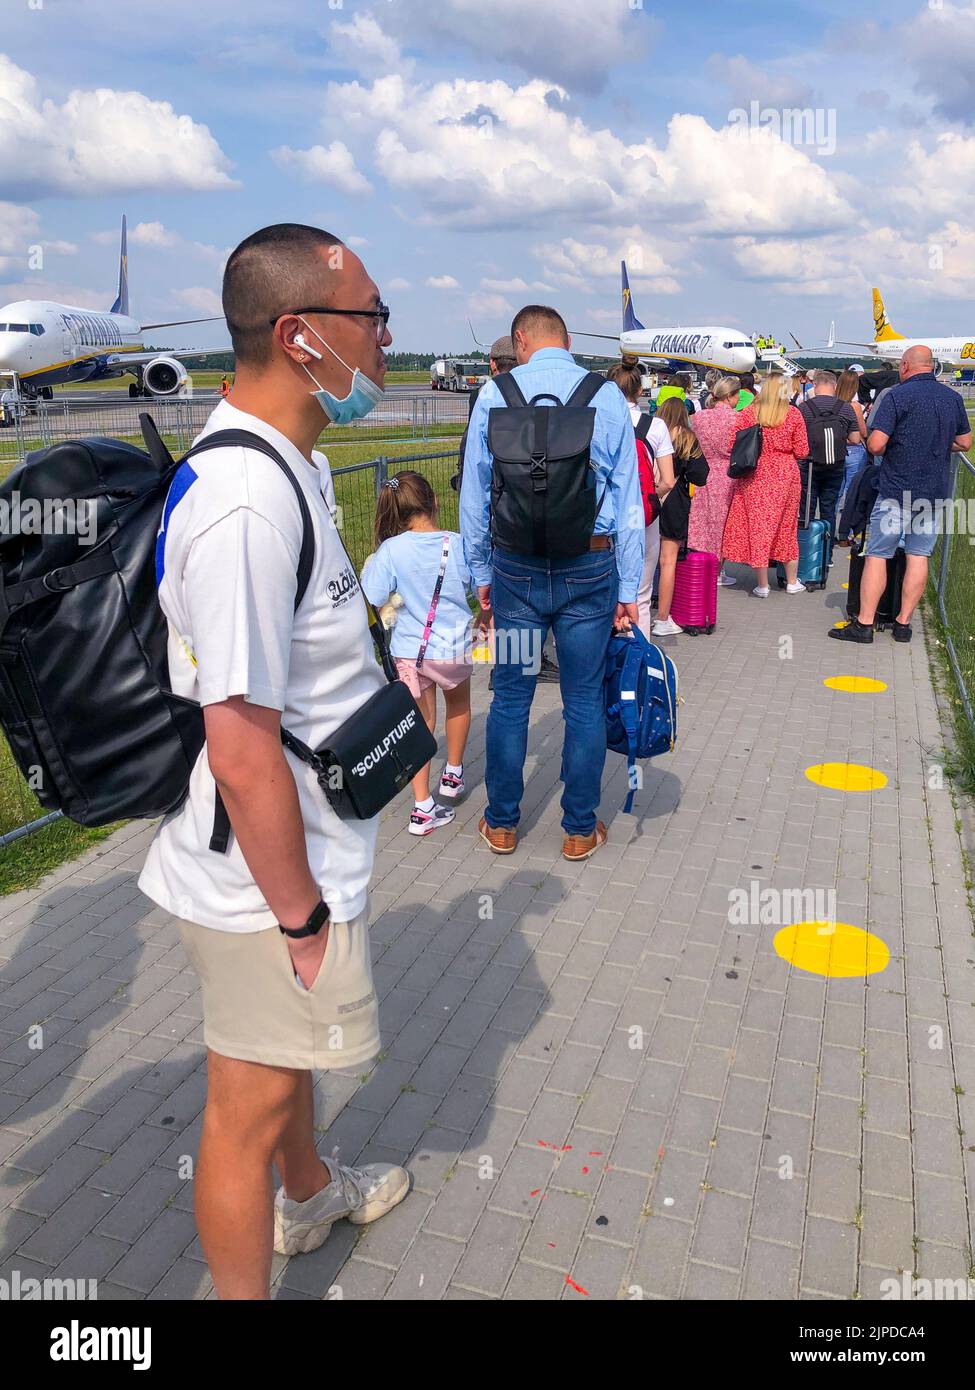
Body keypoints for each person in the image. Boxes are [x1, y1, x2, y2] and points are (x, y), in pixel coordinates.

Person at [138, 224, 408, 1300]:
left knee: (283, 1065)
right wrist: (300, 919)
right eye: (373, 319)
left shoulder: (287, 457)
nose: (390, 342)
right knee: (239, 1114)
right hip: (264, 881)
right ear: (301, 337)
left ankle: (310, 1194)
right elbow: (241, 747)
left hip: (300, 854)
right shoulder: (246, 503)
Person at [460, 304, 643, 862]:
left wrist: (481, 576)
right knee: (584, 698)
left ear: (521, 341)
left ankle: (502, 824)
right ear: (564, 339)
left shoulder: (495, 396)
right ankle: (580, 828)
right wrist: (629, 589)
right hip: (589, 572)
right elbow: (629, 504)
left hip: (515, 574)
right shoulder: (606, 396)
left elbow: (474, 497)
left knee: (512, 696)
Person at [830, 344, 972, 644]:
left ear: (905, 366)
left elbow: (876, 444)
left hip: (896, 489)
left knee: (878, 555)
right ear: (931, 366)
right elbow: (964, 442)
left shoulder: (898, 395)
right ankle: (904, 624)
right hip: (933, 492)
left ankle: (865, 624)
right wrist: (934, 445)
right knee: (919, 555)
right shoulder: (952, 398)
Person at [363, 471, 478, 834]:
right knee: (458, 706)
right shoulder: (458, 543)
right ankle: (454, 775)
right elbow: (477, 585)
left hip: (411, 652)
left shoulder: (391, 551)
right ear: (435, 503)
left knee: (420, 723)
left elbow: (373, 594)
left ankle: (422, 805)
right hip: (453, 648)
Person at [607, 357, 676, 638]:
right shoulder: (655, 426)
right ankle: (638, 661)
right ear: (639, 391)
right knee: (641, 593)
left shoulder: (598, 422)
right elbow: (668, 479)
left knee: (606, 593)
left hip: (606, 518)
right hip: (643, 518)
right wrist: (647, 498)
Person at [723, 373, 809, 596]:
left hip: (755, 472)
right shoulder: (793, 414)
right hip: (785, 473)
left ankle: (762, 584)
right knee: (787, 527)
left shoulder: (749, 413)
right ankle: (791, 581)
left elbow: (733, 442)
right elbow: (802, 450)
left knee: (758, 526)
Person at [653, 396, 710, 636]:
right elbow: (700, 475)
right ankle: (662, 619)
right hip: (673, 502)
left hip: (644, 499)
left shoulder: (650, 432)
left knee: (642, 559)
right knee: (668, 561)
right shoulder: (686, 438)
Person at [795, 369, 861, 548]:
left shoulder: (804, 408)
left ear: (815, 385)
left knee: (806, 508)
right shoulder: (845, 407)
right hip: (835, 465)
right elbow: (855, 439)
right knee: (828, 508)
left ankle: (804, 549)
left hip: (808, 465)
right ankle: (827, 552)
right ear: (835, 385)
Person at [688, 375, 741, 584]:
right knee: (724, 525)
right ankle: (717, 570)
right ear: (729, 396)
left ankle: (702, 564)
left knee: (702, 521)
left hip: (704, 472)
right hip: (728, 474)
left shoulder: (699, 417)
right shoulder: (737, 419)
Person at [836, 368, 869, 503]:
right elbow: (863, 431)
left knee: (837, 490)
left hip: (838, 448)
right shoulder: (854, 406)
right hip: (855, 449)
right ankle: (847, 521)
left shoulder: (834, 403)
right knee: (852, 490)